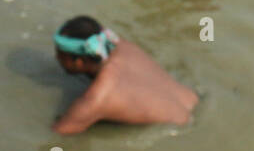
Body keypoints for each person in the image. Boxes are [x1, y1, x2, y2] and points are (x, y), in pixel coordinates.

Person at [51, 15, 197, 135]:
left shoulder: (95, 100)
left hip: (181, 129)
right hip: (193, 100)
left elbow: (59, 132)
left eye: (60, 55)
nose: (56, 58)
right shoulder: (117, 44)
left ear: (79, 62)